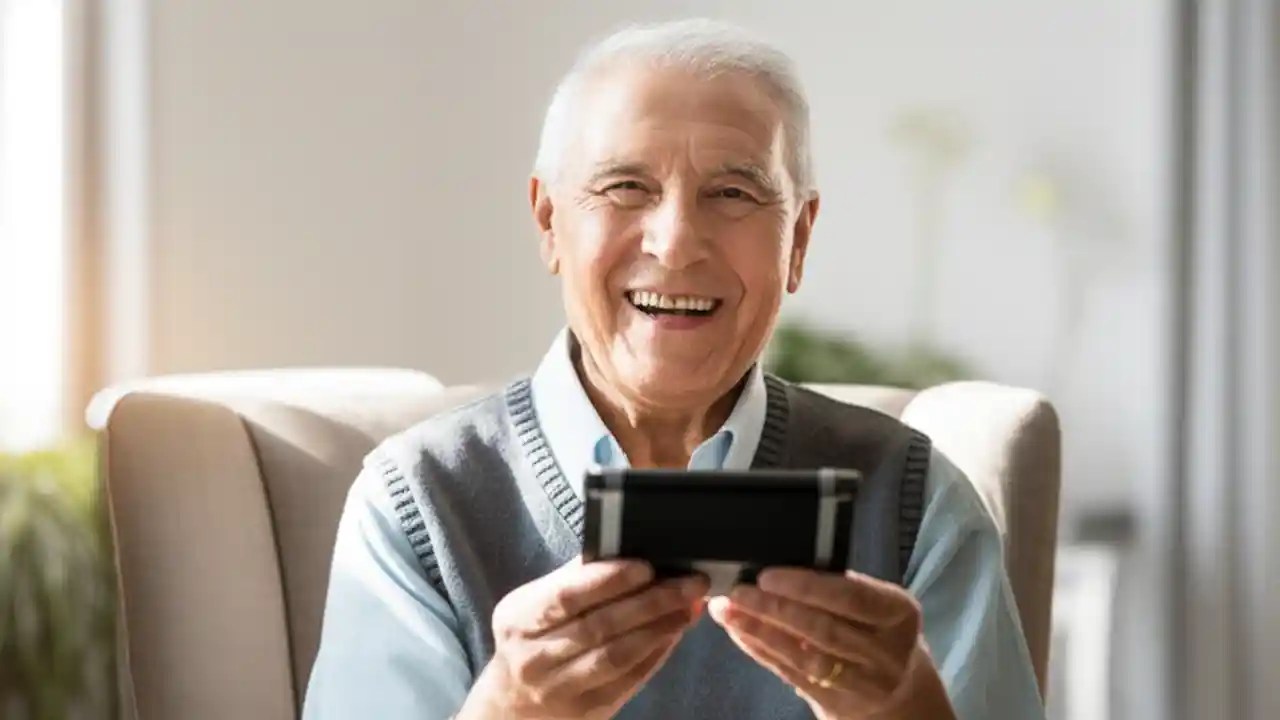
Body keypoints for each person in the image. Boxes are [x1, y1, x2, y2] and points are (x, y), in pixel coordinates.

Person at [304, 18, 1043, 720]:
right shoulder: (416, 510)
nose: (678, 240)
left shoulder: (918, 512)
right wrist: (511, 709)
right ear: (548, 221)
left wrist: (904, 708)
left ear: (799, 239)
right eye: (626, 187)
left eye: (733, 193)